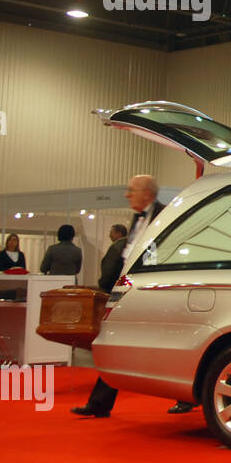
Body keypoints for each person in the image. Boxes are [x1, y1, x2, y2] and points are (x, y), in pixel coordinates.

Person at [73, 175, 198, 417]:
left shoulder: (165, 215)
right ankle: (100, 403)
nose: (127, 195)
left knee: (169, 341)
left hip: (155, 289)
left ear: (147, 194)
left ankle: (185, 397)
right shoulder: (138, 217)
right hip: (131, 289)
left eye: (132, 190)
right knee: (115, 341)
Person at [98, 224, 128, 294]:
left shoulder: (116, 247)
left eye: (112, 233)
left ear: (119, 233)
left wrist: (102, 284)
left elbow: (109, 268)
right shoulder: (129, 245)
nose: (110, 235)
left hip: (111, 287)